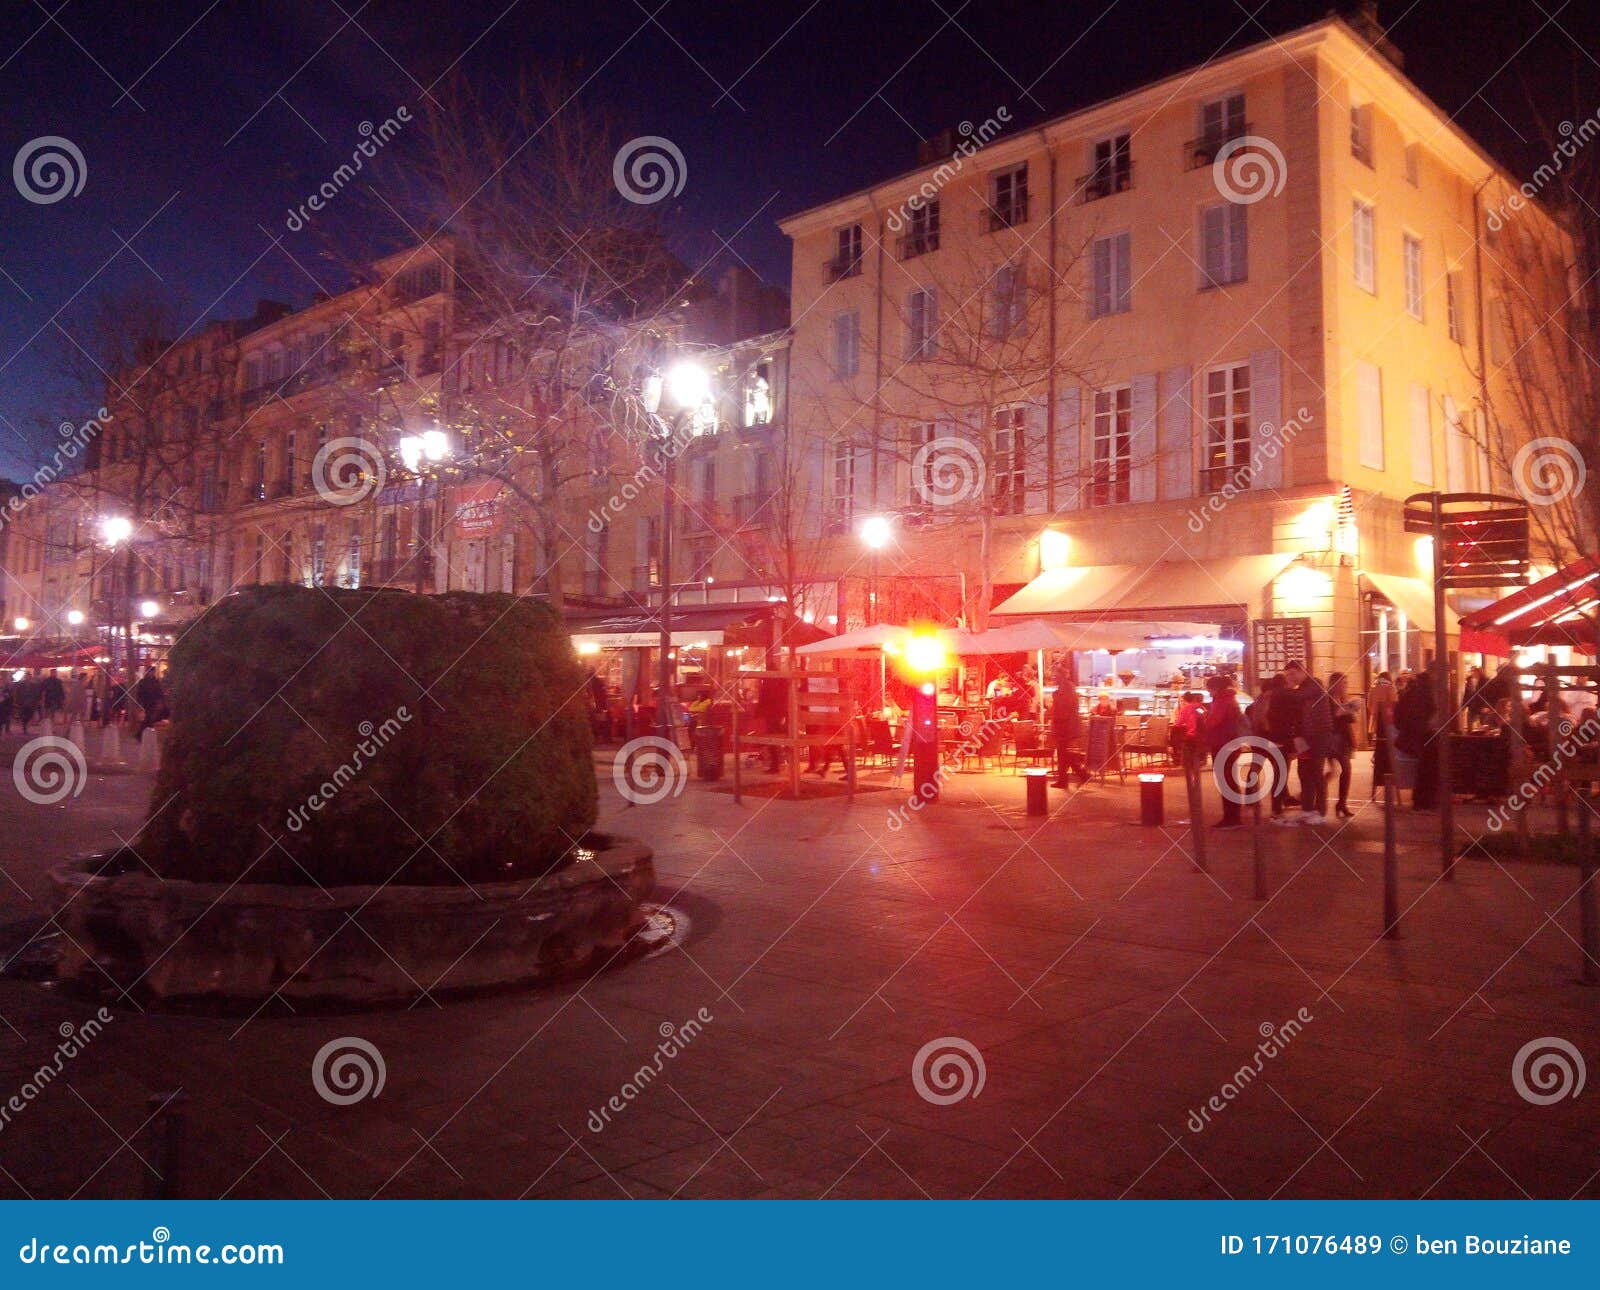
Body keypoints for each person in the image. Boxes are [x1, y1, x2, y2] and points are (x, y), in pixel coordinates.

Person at [1283, 660, 1333, 824]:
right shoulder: (1302, 688)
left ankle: (1320, 811)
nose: (1290, 678)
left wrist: (1288, 687)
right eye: (1287, 675)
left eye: (1291, 674)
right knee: (1304, 771)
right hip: (1304, 738)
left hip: (1318, 736)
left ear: (1302, 670)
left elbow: (1298, 697)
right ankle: (1307, 809)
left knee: (1316, 772)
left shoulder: (1314, 684)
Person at [1203, 675, 1247, 828]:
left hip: (1223, 744)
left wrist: (1204, 717)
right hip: (1230, 744)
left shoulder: (1222, 701)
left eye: (1209, 689)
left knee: (1226, 781)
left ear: (1216, 688)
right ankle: (1232, 816)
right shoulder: (1229, 699)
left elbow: (1212, 722)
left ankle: (1232, 818)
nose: (1208, 692)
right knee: (1229, 780)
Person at [1393, 666, 1439, 810]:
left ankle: (1421, 799)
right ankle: (1427, 800)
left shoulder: (1409, 691)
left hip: (1407, 737)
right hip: (1417, 737)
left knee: (1428, 760)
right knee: (1432, 759)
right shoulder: (1427, 691)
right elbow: (1431, 711)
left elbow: (1398, 717)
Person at [1048, 660, 1089, 788]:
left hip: (1065, 727)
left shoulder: (1066, 688)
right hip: (1066, 726)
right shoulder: (1066, 687)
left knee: (1062, 753)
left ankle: (1068, 778)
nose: (1053, 678)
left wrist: (1056, 719)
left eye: (1055, 675)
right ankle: (1079, 775)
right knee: (1064, 753)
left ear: (1060, 676)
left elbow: (1064, 709)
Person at [1327, 672, 1358, 819]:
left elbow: (1350, 719)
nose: (1345, 685)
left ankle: (1341, 803)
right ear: (1335, 683)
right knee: (1344, 769)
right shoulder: (1328, 699)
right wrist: (1339, 713)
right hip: (1333, 739)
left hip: (1343, 739)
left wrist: (1351, 711)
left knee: (1339, 771)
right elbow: (1328, 719)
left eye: (1346, 682)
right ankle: (1340, 803)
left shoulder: (1343, 698)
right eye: (1342, 682)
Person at [1368, 670, 1397, 797]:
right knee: (1386, 745)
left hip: (1376, 719)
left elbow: (1369, 705)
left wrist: (1374, 711)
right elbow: (1393, 703)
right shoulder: (1390, 687)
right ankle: (1377, 756)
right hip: (1387, 721)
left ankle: (1376, 755)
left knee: (1378, 741)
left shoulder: (1373, 688)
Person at [134, 666, 166, 741]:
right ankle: (141, 734)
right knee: (149, 718)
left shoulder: (156, 681)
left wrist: (160, 700)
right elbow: (139, 693)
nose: (152, 673)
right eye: (150, 672)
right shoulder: (143, 682)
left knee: (150, 718)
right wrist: (139, 702)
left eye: (153, 672)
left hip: (153, 702)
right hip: (146, 702)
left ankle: (142, 734)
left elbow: (159, 691)